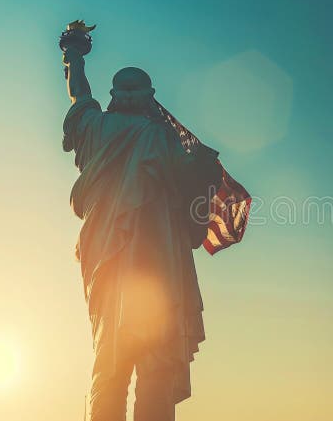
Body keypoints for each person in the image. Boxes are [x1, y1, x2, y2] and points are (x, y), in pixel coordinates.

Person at [62, 46, 219, 421]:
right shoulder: (160, 137)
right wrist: (204, 167)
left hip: (105, 260)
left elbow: (80, 95)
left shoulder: (96, 127)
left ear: (115, 97)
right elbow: (192, 188)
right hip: (156, 263)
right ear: (150, 98)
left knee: (111, 357)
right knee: (155, 363)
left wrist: (73, 56)